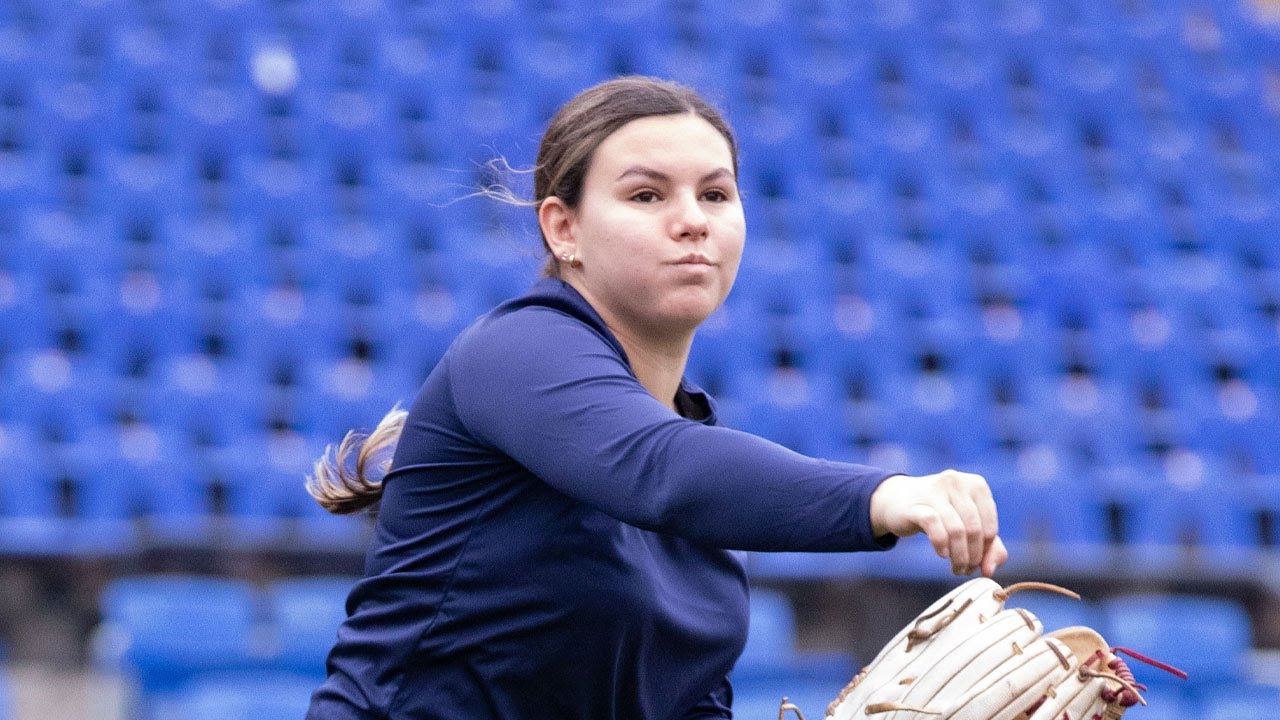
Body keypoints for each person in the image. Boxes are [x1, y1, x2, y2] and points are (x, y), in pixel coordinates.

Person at [304, 76, 1007, 720]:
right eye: (647, 195)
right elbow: (660, 471)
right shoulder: (517, 352)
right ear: (563, 228)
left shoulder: (710, 476)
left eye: (716, 194)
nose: (693, 220)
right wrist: (879, 496)